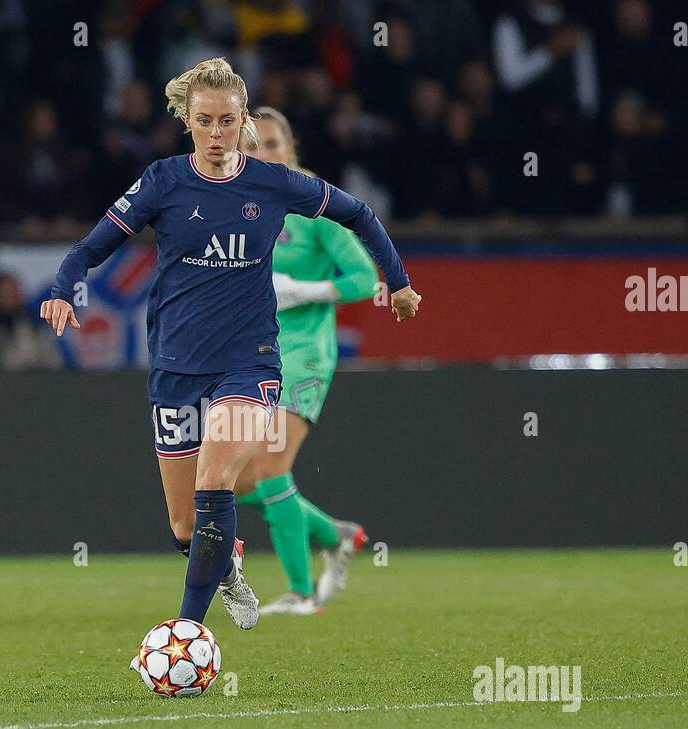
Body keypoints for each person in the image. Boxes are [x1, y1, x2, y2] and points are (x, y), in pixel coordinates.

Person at [40, 58, 420, 641]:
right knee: (184, 523)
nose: (216, 134)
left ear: (243, 121)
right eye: (204, 121)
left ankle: (187, 631)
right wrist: (64, 288)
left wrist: (396, 281)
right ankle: (226, 565)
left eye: (226, 121)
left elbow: (359, 213)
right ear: (186, 122)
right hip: (174, 364)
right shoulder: (163, 182)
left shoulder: (271, 183)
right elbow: (91, 246)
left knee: (216, 477)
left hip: (249, 362)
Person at [234, 107, 377, 615]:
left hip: (304, 355)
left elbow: (366, 278)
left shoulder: (316, 207)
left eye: (272, 145)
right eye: (252, 147)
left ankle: (300, 593)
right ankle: (335, 534)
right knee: (240, 481)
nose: (263, 155)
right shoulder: (235, 208)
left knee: (271, 465)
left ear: (290, 149)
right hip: (251, 354)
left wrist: (303, 289)